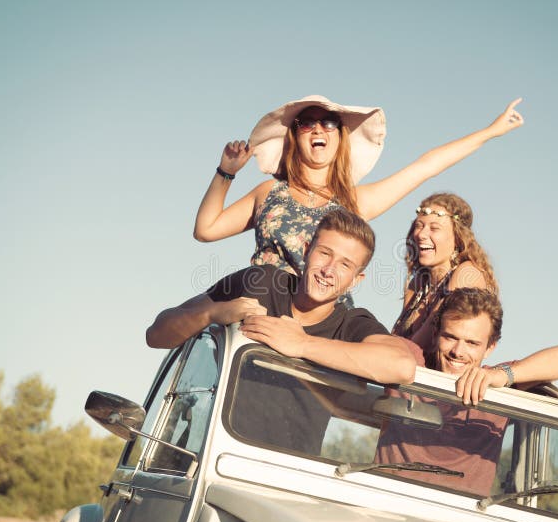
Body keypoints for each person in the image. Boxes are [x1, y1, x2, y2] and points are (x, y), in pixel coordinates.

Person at [193, 95, 524, 278]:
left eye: (329, 122)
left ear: (340, 137)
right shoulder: (268, 192)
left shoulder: (354, 202)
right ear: (295, 136)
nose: (318, 128)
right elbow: (206, 229)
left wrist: (489, 132)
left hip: (319, 325)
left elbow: (425, 166)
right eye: (306, 123)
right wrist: (226, 172)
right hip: (259, 310)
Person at [146, 209, 416, 385]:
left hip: (289, 468)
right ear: (307, 251)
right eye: (324, 253)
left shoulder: (351, 324)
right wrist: (211, 314)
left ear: (355, 281)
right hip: (214, 451)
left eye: (345, 265)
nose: (329, 270)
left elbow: (402, 366)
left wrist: (301, 344)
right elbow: (156, 334)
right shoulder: (261, 281)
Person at [376, 288, 558, 495]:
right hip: (388, 505)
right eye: (450, 337)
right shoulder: (407, 361)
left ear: (490, 347)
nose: (458, 351)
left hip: (462, 521)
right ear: (435, 334)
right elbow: (360, 338)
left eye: (472, 343)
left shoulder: (495, 383)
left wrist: (503, 376)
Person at [392, 193, 497, 359]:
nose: (421, 234)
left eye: (434, 228)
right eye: (419, 226)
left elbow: (422, 344)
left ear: (457, 237)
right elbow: (397, 338)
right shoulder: (419, 282)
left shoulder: (466, 274)